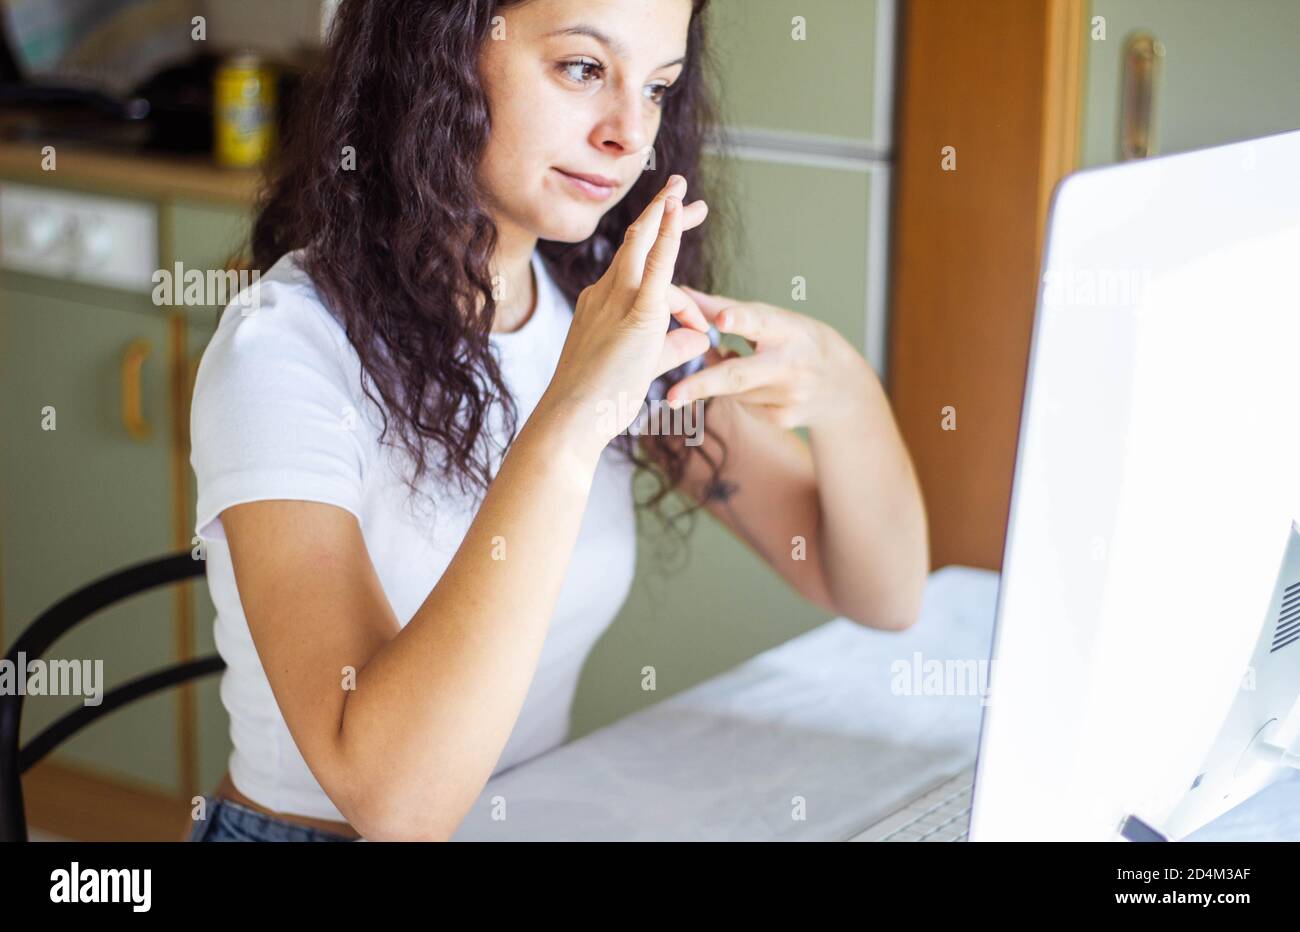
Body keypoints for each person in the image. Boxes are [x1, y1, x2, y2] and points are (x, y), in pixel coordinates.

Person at [186, 0, 928, 842]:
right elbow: (394, 804)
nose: (628, 134)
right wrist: (575, 417)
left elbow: (881, 592)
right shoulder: (283, 350)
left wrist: (846, 393)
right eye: (583, 69)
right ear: (441, 56)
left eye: (657, 88)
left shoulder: (588, 301)